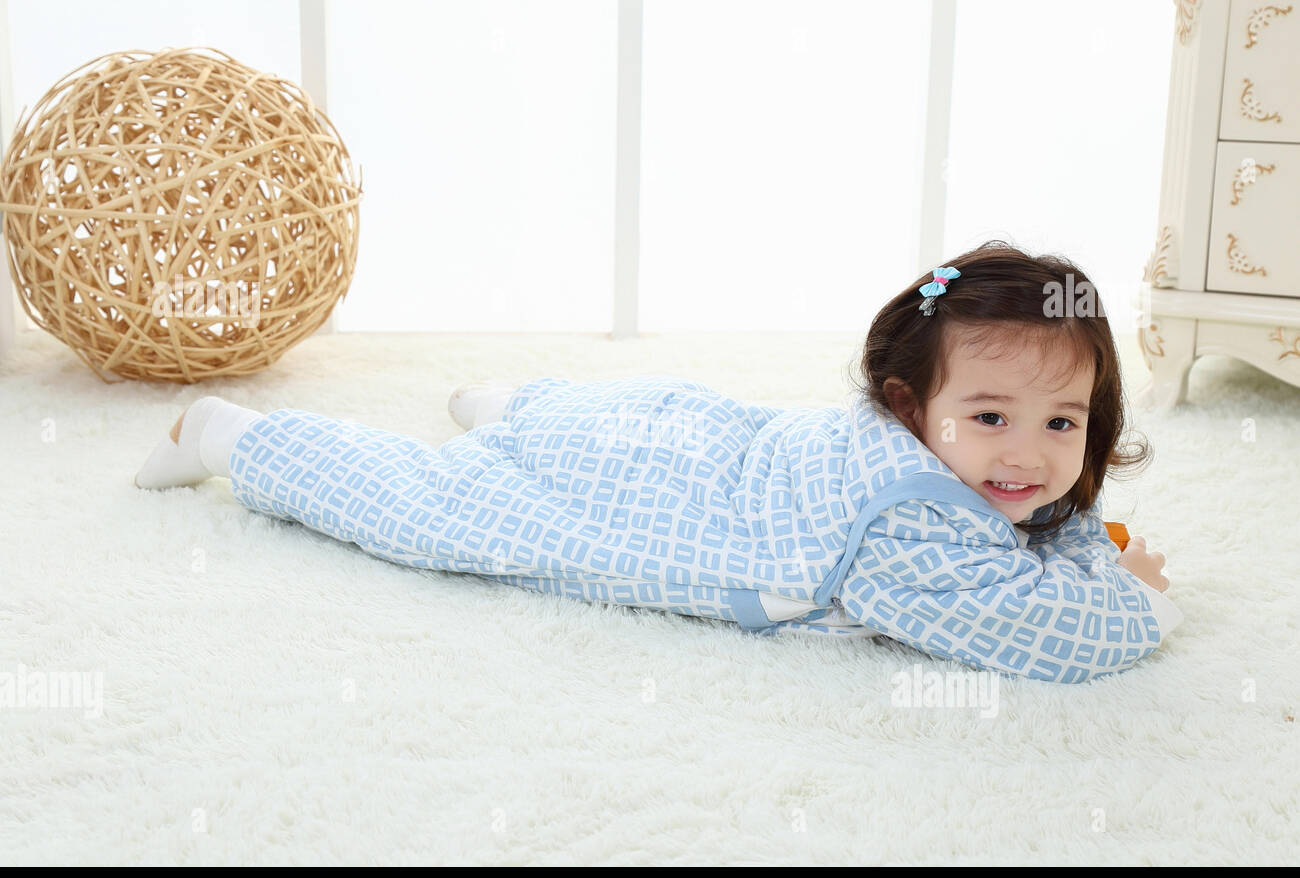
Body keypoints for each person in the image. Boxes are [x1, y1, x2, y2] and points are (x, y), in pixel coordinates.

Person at [134, 240, 1182, 683]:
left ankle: (514, 407)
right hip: (655, 526)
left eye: (1063, 424)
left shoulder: (937, 458)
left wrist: (1085, 536)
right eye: (991, 415)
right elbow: (1050, 635)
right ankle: (233, 435)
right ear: (908, 407)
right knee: (432, 508)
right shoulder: (907, 532)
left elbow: (1045, 521)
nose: (1029, 455)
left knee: (654, 413)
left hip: (701, 445)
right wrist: (1134, 593)